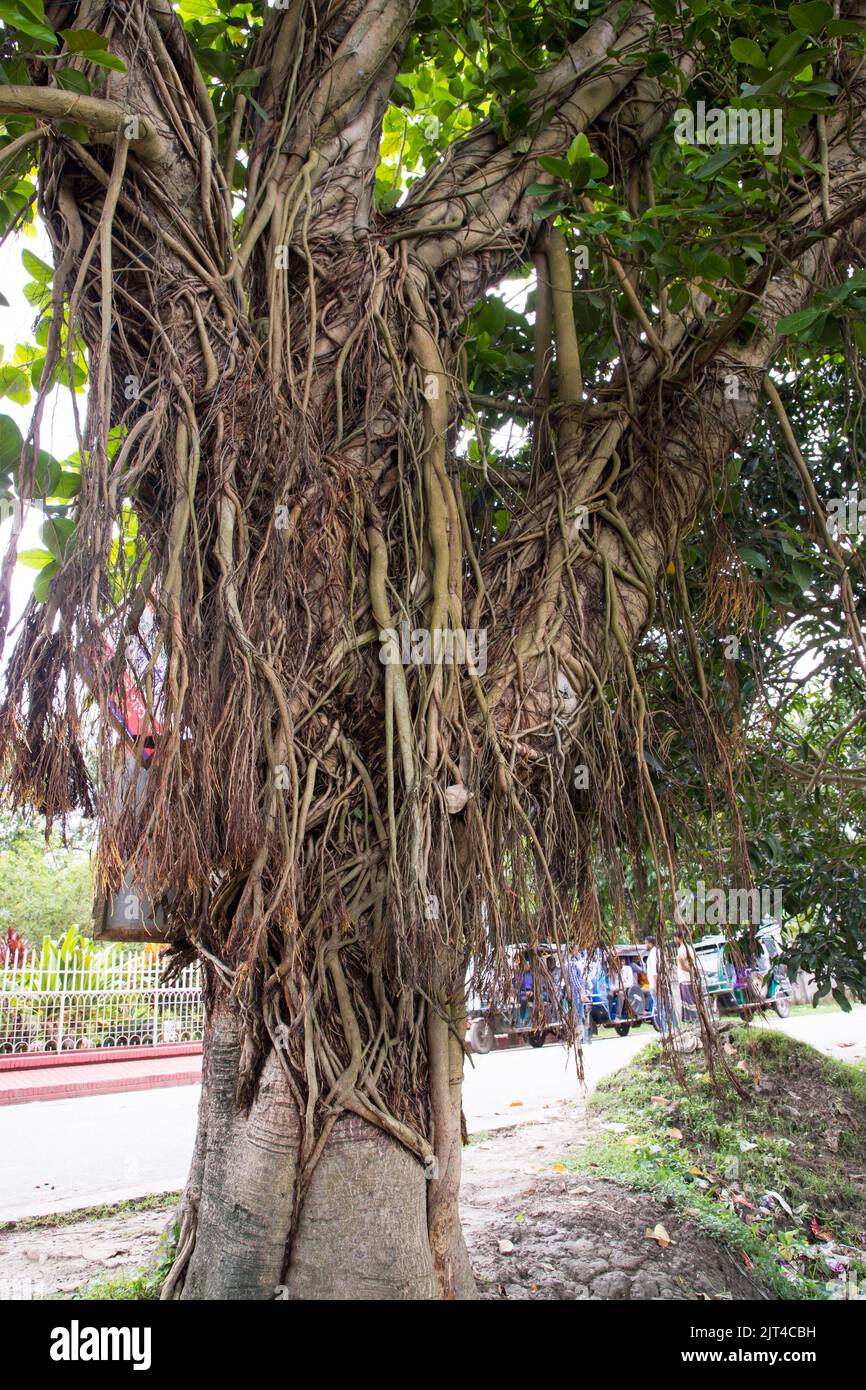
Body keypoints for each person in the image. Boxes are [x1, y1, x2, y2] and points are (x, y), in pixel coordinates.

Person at [675, 929, 697, 1022]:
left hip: (685, 977)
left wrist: (690, 971)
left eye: (675, 937)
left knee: (688, 999)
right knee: (690, 998)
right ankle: (692, 1018)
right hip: (687, 977)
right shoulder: (688, 948)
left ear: (678, 938)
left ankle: (693, 1018)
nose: (674, 939)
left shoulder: (682, 949)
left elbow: (683, 964)